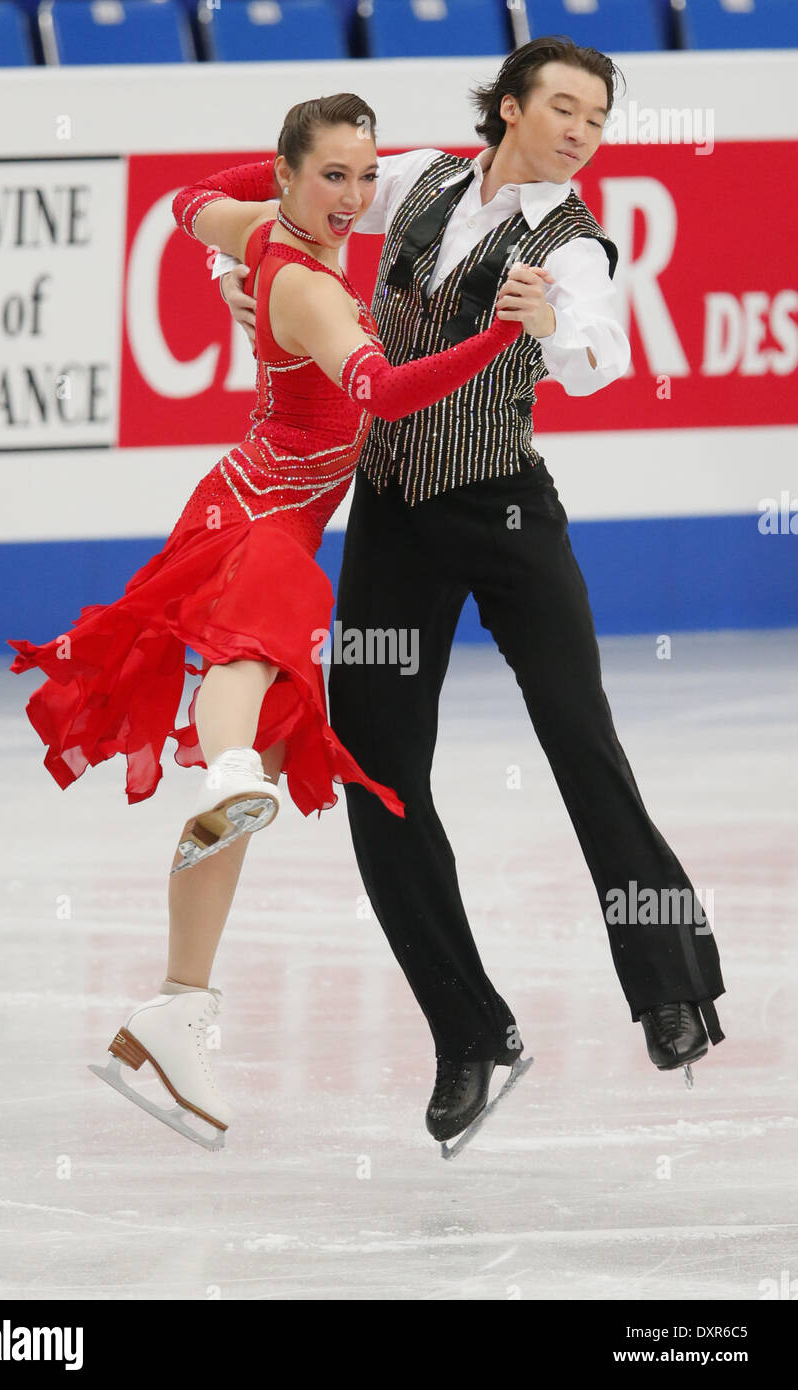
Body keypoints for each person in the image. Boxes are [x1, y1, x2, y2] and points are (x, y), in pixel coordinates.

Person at [213, 41, 727, 1147]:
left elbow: (595, 352)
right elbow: (287, 210)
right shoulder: (414, 178)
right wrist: (239, 276)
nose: (583, 128)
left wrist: (548, 329)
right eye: (562, 106)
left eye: (597, 115)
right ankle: (468, 1032)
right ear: (506, 107)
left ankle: (672, 982)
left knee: (579, 740)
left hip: (504, 518)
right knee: (375, 770)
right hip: (393, 513)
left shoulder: (575, 244)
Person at [7, 92, 530, 1150]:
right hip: (264, 517)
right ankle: (230, 772)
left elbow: (184, 199)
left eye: (361, 175)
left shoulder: (255, 233)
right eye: (327, 175)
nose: (350, 196)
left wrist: (243, 232)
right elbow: (382, 392)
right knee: (262, 651)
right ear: (288, 174)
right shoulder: (301, 287)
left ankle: (178, 1005)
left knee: (261, 698)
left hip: (249, 497)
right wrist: (502, 335)